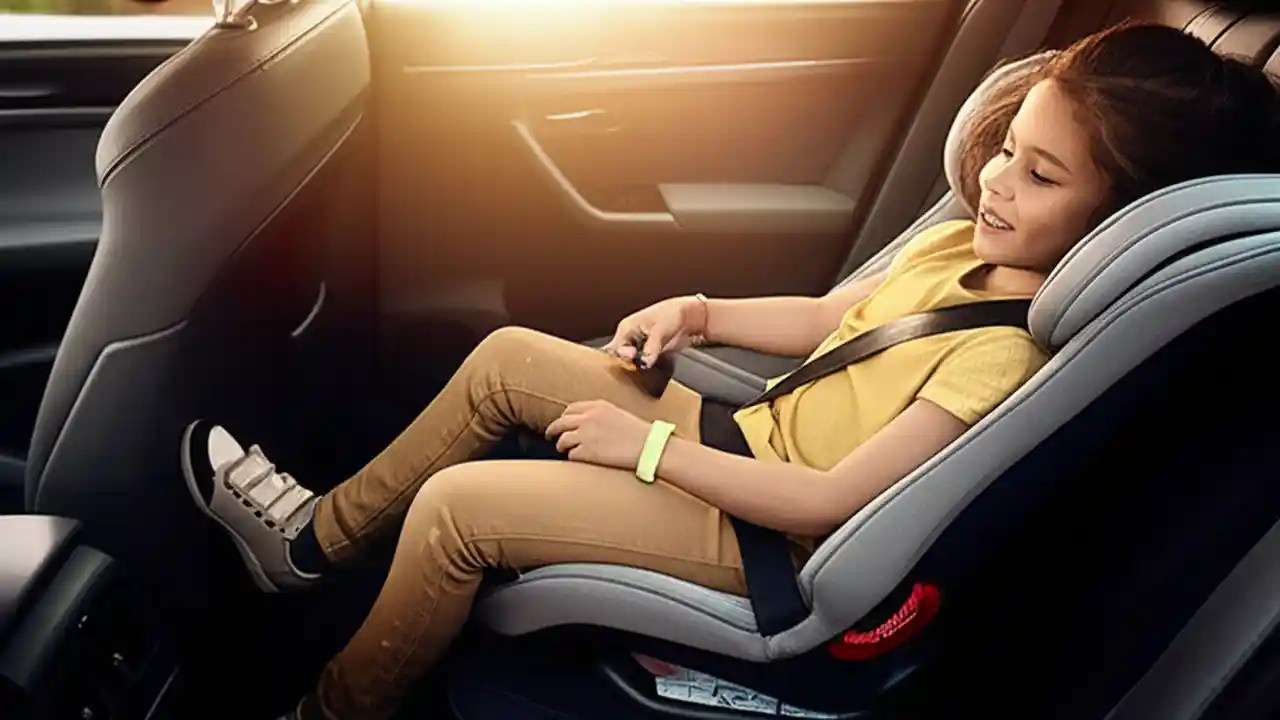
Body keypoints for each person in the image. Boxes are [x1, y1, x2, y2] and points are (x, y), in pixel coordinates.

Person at [180, 20, 1280, 720]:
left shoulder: (1005, 358)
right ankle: (311, 547)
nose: (993, 180)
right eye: (1005, 148)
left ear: (1113, 227)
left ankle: (333, 706)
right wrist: (695, 309)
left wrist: (644, 445)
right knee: (508, 357)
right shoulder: (971, 243)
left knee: (464, 510)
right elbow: (828, 317)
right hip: (747, 444)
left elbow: (824, 502)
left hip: (766, 539)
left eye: (1038, 176)